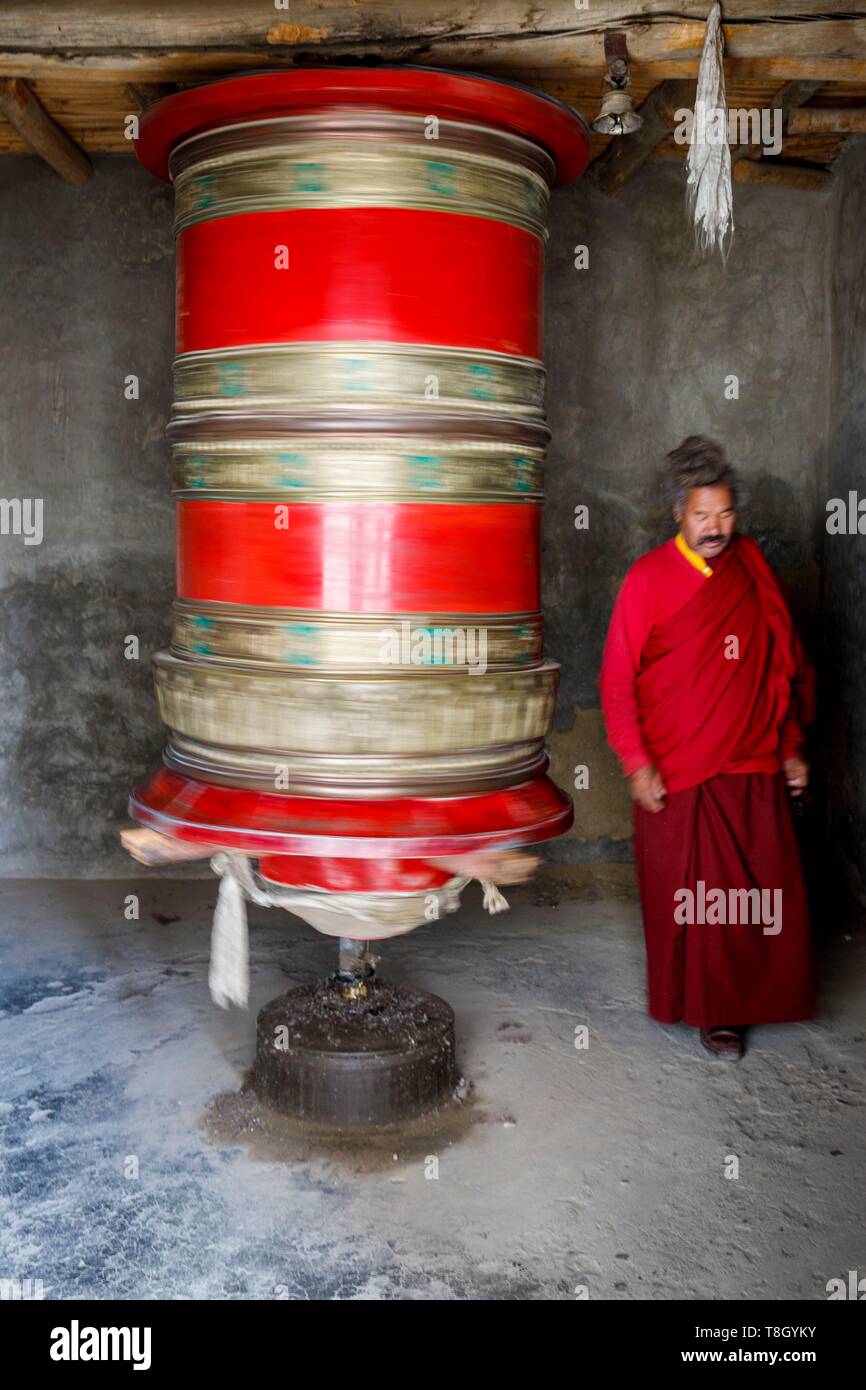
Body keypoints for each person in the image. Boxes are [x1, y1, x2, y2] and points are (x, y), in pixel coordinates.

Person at [599, 436, 816, 1059]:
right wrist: (635, 762)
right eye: (702, 516)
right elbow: (616, 680)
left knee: (762, 892)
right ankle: (715, 1012)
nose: (716, 528)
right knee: (701, 900)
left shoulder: (751, 568)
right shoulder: (647, 580)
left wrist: (792, 746)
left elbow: (782, 660)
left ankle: (757, 997)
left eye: (725, 514)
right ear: (678, 514)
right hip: (680, 767)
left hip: (752, 757)